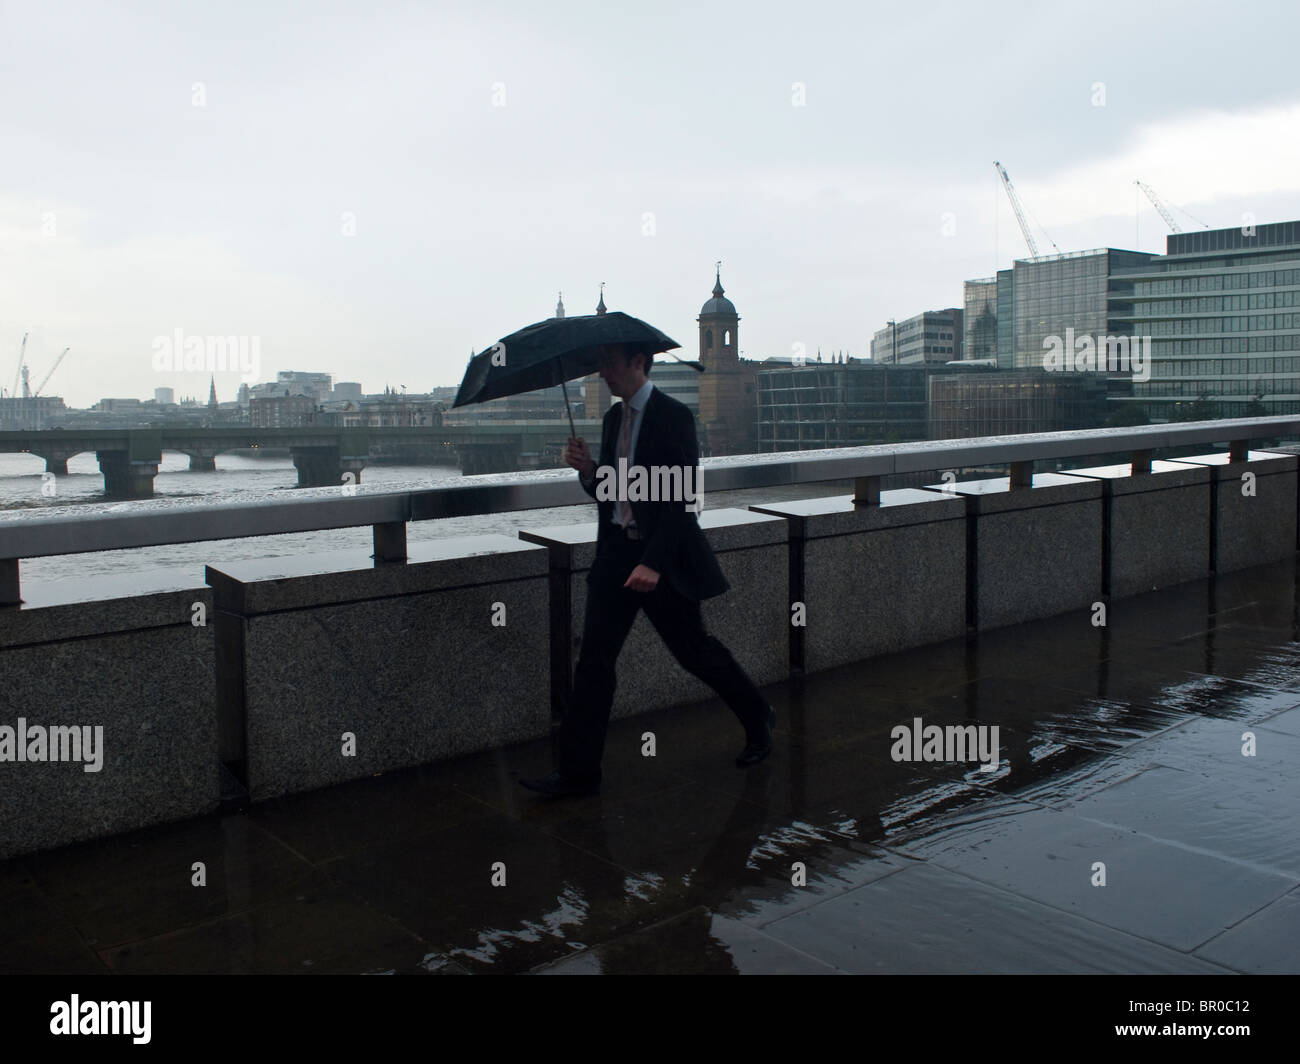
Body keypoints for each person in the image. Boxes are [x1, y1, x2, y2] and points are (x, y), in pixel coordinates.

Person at [520, 343, 775, 797]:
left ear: (638, 362)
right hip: (616, 555)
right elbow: (614, 492)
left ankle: (758, 717)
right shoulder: (612, 419)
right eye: (599, 364)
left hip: (661, 558)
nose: (603, 373)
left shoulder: (673, 416)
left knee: (694, 653)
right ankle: (578, 774)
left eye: (610, 364)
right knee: (594, 663)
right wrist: (587, 470)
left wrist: (653, 564)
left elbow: (681, 501)